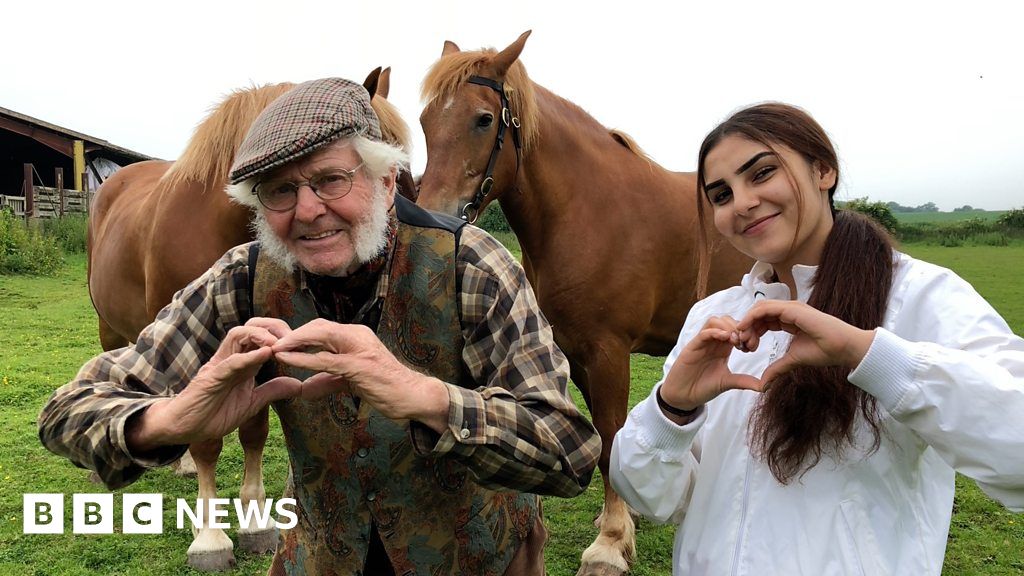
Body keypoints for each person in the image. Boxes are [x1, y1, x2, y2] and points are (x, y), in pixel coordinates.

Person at [39, 77, 600, 576]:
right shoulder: (243, 279)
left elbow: (568, 450)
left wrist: (428, 398)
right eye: (280, 190)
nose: (307, 210)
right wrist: (168, 418)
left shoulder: (469, 265)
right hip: (322, 558)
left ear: (386, 182)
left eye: (332, 180)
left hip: (482, 560)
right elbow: (66, 411)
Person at [609, 102, 1024, 575]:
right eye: (721, 195)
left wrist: (868, 355)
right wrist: (672, 410)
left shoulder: (919, 296)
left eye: (762, 173)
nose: (741, 203)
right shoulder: (715, 316)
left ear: (823, 170)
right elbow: (659, 500)